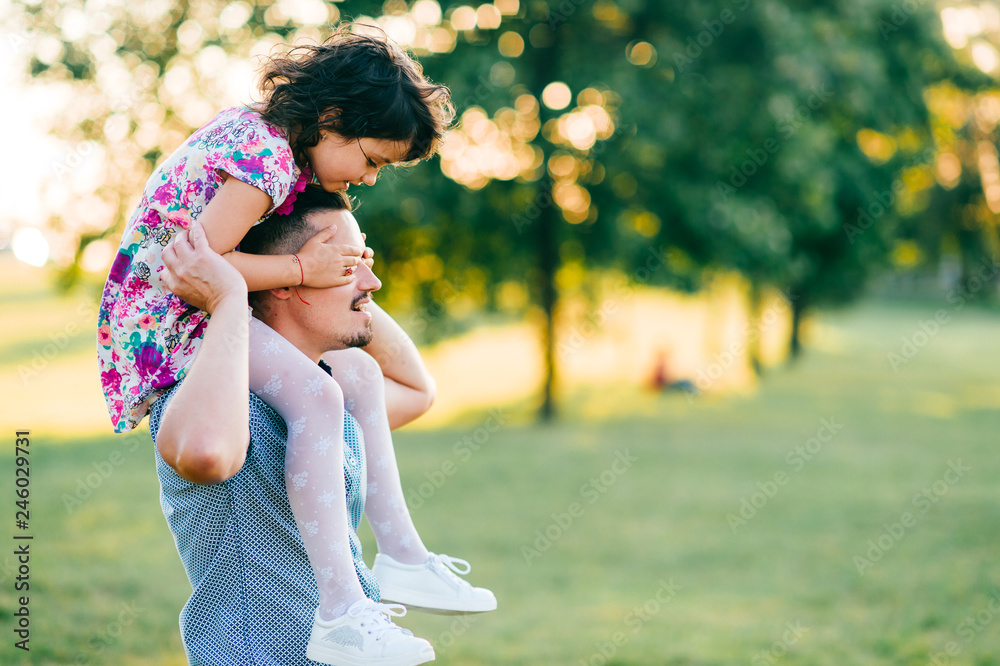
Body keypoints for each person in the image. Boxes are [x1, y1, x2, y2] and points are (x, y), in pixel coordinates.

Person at [96, 27, 486, 666]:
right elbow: (197, 267)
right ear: (332, 120)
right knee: (316, 393)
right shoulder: (266, 160)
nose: (370, 176)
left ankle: (403, 555)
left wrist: (350, 274)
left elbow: (411, 387)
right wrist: (305, 272)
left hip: (207, 307)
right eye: (371, 159)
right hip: (174, 320)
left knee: (351, 377)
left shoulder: (276, 150)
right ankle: (340, 611)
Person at [152, 186, 495, 665]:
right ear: (284, 281)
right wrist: (230, 296)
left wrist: (349, 281)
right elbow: (206, 453)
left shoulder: (333, 394)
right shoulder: (218, 394)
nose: (373, 284)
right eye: (351, 266)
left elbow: (416, 389)